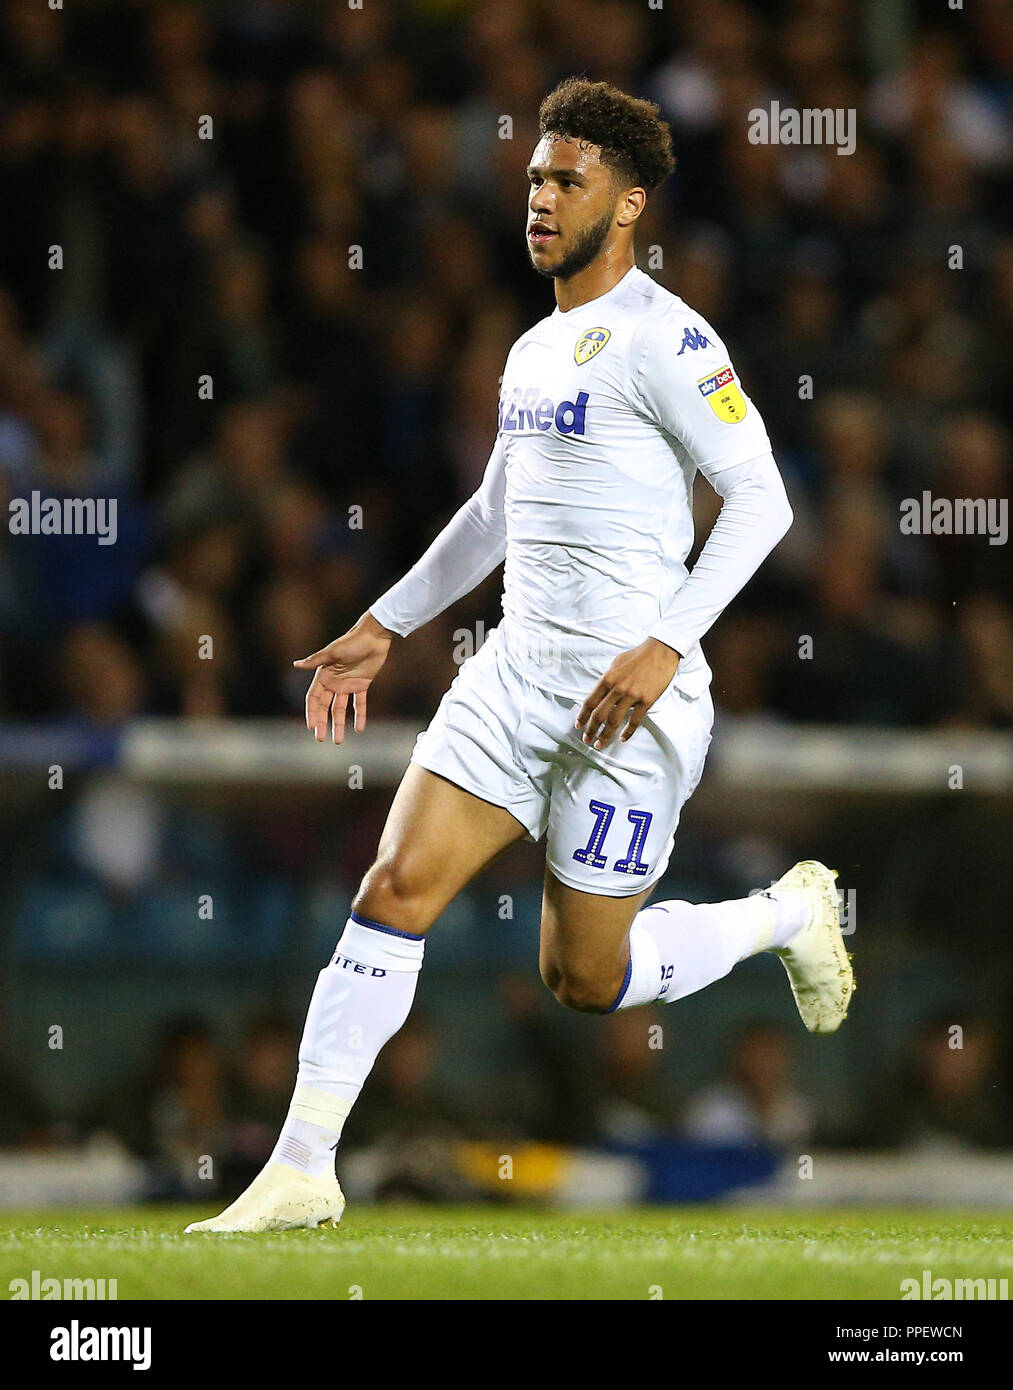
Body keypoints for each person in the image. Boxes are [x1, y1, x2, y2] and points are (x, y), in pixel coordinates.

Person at [187, 78, 853, 1235]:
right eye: (535, 178)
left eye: (568, 181)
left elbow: (762, 500)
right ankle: (301, 1167)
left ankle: (784, 915)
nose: (540, 199)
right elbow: (494, 512)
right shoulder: (534, 347)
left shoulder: (668, 337)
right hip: (510, 676)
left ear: (627, 203)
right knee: (393, 886)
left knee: (583, 979)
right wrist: (386, 623)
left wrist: (666, 642)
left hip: (627, 703)